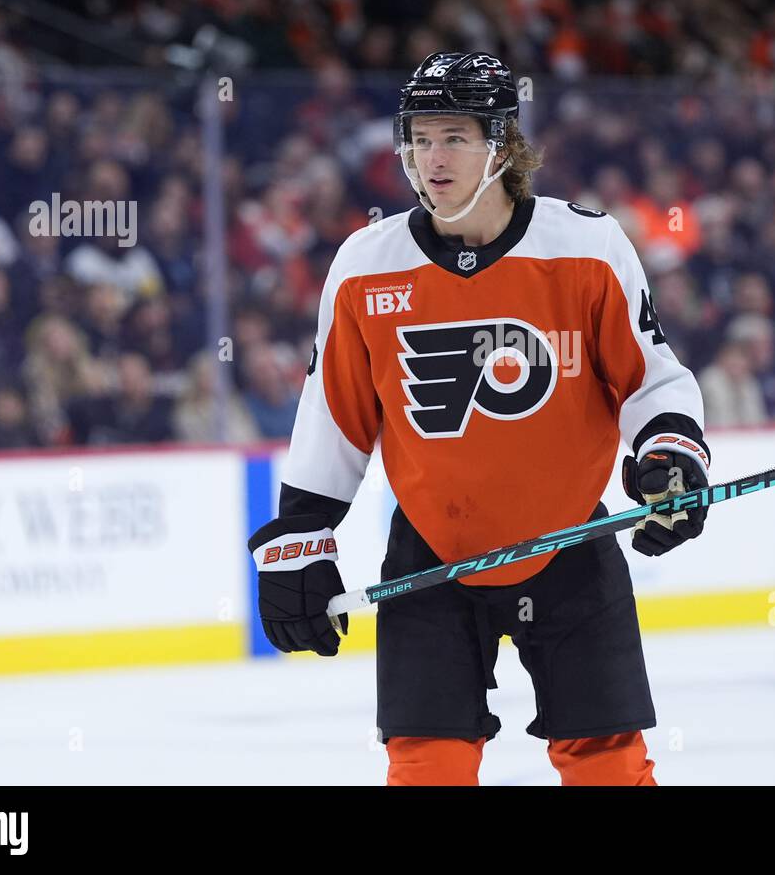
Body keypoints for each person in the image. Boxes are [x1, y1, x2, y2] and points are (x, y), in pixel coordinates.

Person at [247, 52, 711, 786]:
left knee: (609, 768)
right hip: (433, 552)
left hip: (570, 542)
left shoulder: (587, 248)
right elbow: (333, 414)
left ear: (501, 144)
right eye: (420, 138)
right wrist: (301, 536)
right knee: (426, 767)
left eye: (455, 137)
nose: (432, 159)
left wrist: (671, 459)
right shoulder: (367, 264)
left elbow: (652, 381)